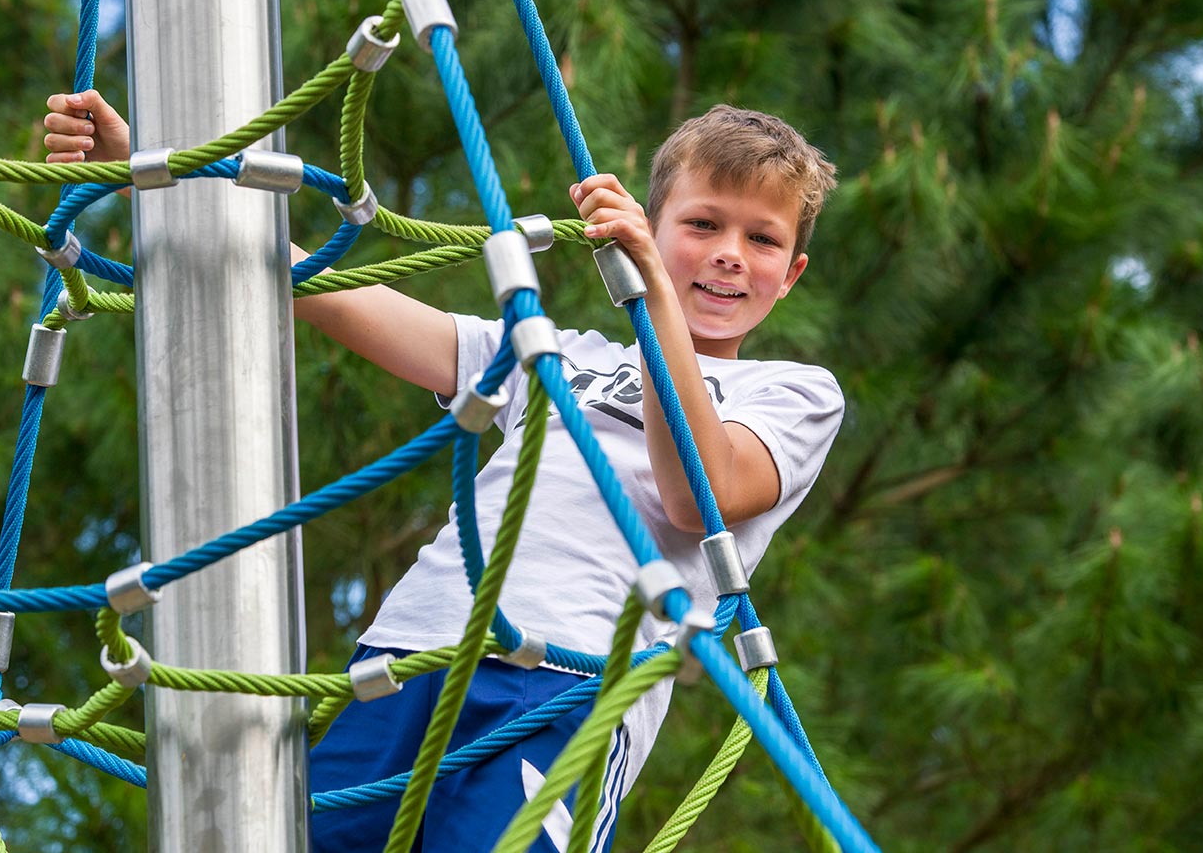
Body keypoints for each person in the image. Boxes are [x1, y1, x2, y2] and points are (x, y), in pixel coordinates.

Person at [43, 93, 843, 853]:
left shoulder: (793, 393)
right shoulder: (554, 357)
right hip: (411, 657)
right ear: (651, 226)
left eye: (762, 239)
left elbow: (695, 490)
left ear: (793, 271)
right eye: (702, 224)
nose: (730, 255)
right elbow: (323, 287)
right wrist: (148, 164)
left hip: (565, 686)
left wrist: (656, 296)